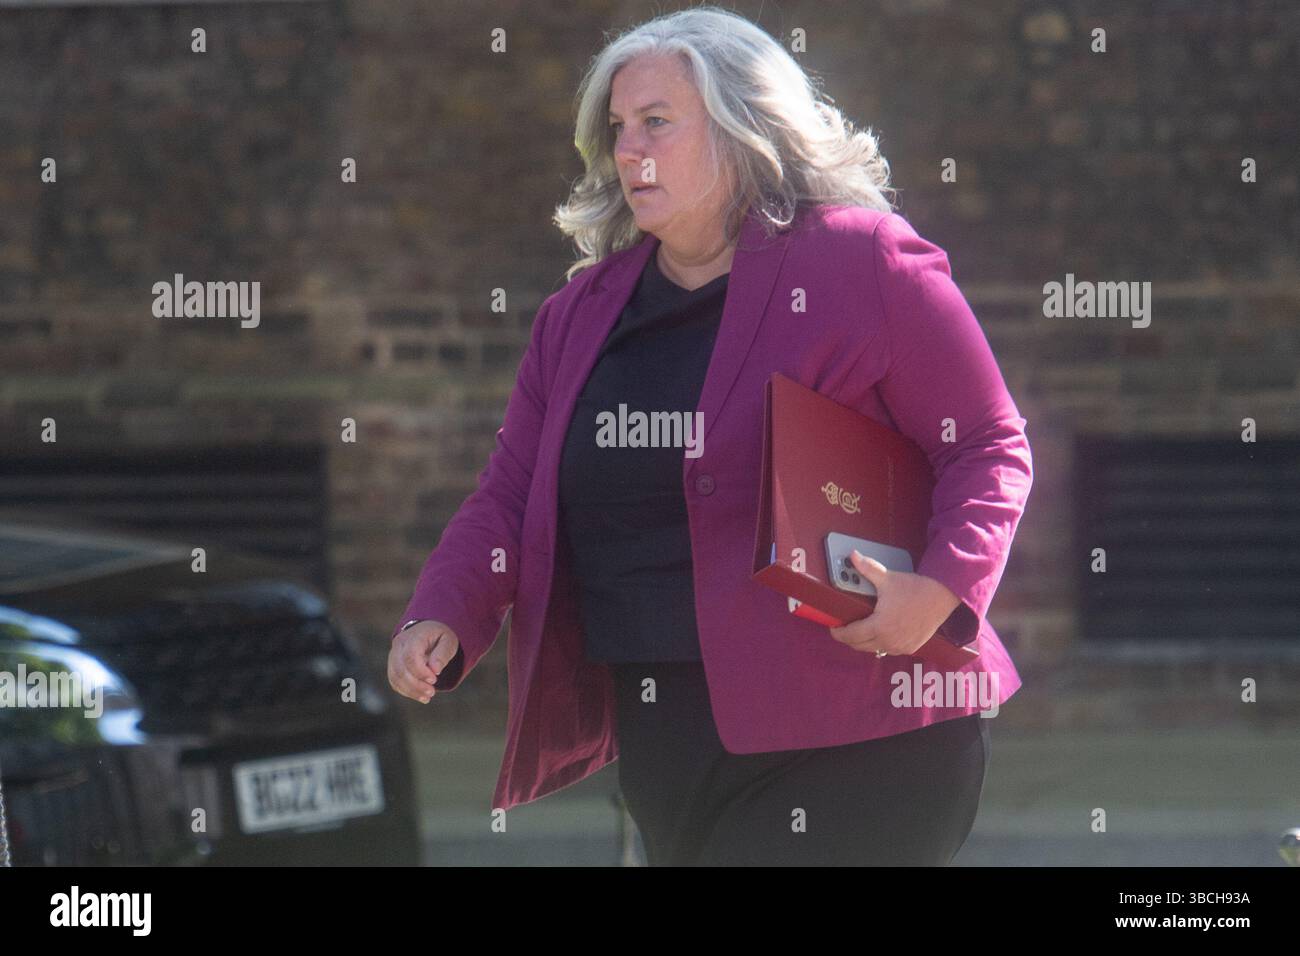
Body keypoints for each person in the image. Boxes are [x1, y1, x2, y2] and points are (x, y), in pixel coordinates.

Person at [389, 6, 1033, 866]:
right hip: (667, 741)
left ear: (742, 127)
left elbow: (987, 442)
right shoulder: (576, 318)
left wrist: (944, 590)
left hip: (859, 734)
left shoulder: (862, 261)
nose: (627, 148)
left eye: (657, 121)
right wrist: (444, 609)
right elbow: (511, 492)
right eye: (618, 127)